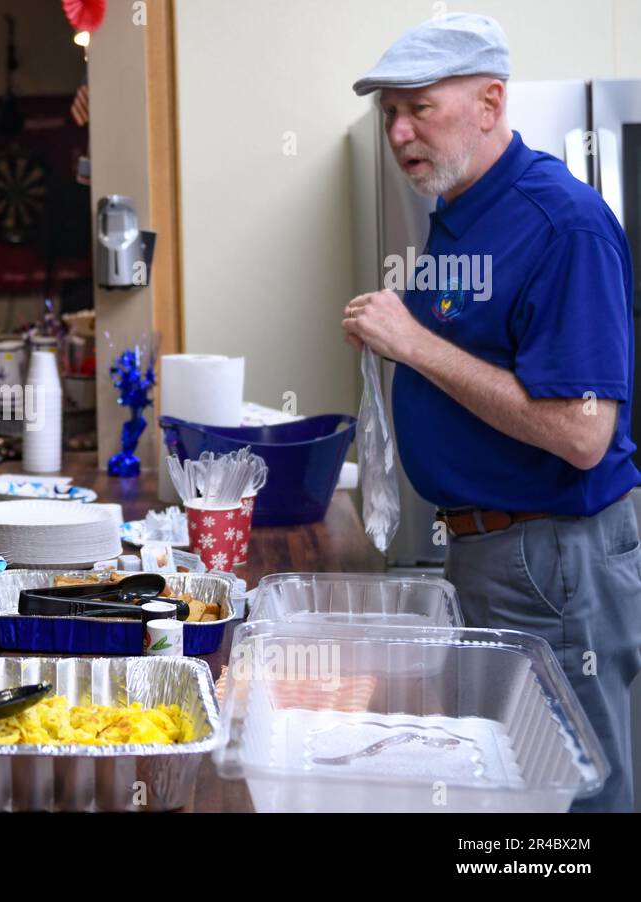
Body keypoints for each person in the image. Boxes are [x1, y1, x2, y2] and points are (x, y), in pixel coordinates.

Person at [343, 13, 641, 811]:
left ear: (490, 102)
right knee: (513, 790)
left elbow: (583, 433)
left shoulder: (562, 224)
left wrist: (413, 343)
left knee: (579, 795)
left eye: (419, 109)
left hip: (552, 561)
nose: (400, 132)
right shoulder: (460, 211)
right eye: (389, 115)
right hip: (489, 551)